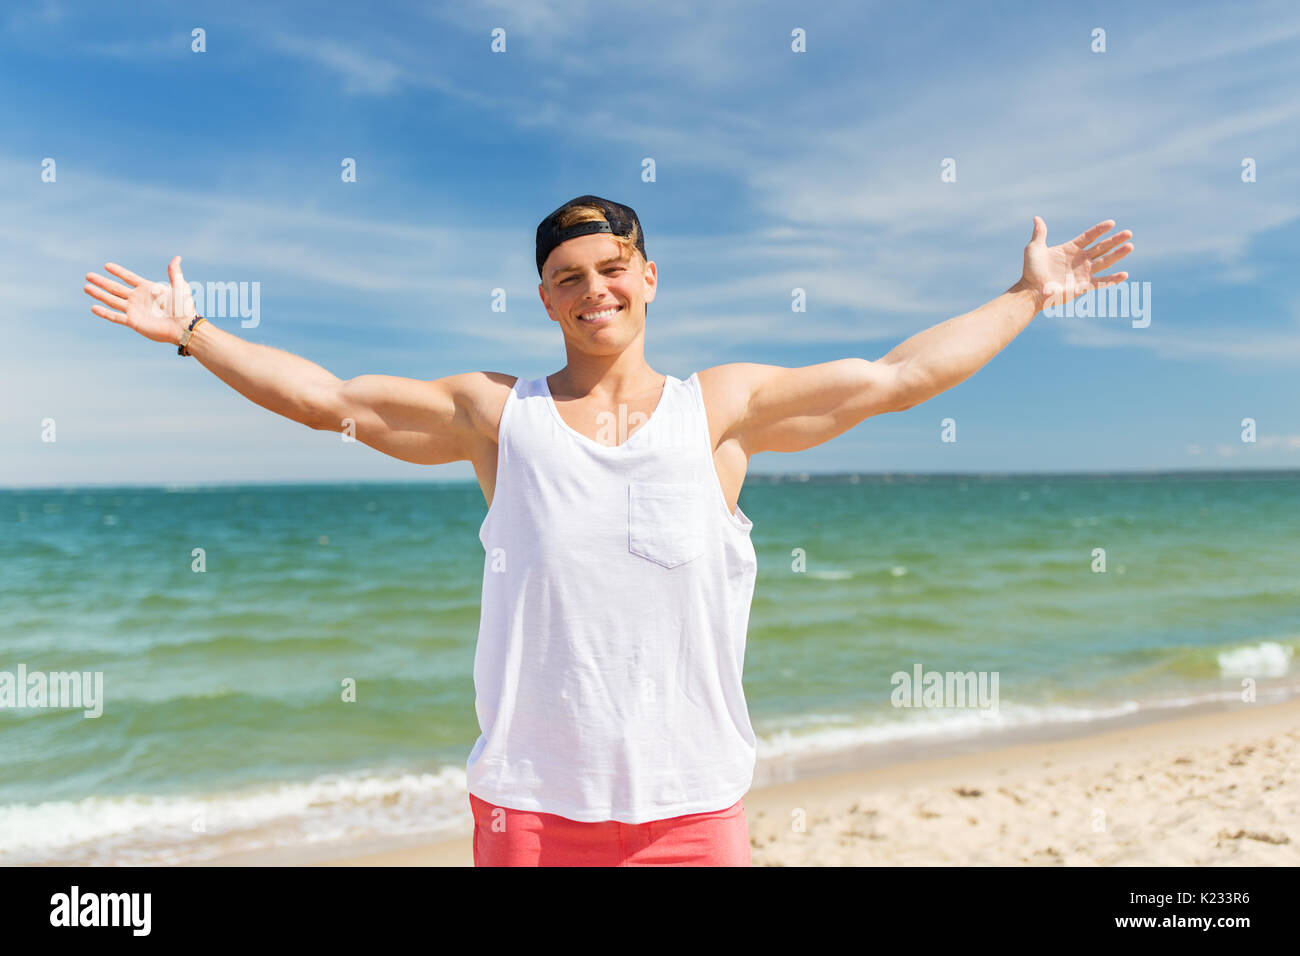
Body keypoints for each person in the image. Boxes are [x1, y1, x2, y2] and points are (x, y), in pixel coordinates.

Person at [83, 194, 1133, 866]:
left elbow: (896, 377)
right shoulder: (497, 415)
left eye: (615, 264)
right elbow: (328, 397)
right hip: (531, 811)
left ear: (649, 278)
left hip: (693, 808)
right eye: (571, 276)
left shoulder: (718, 409)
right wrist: (192, 331)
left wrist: (1026, 296)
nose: (597, 288)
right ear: (545, 299)